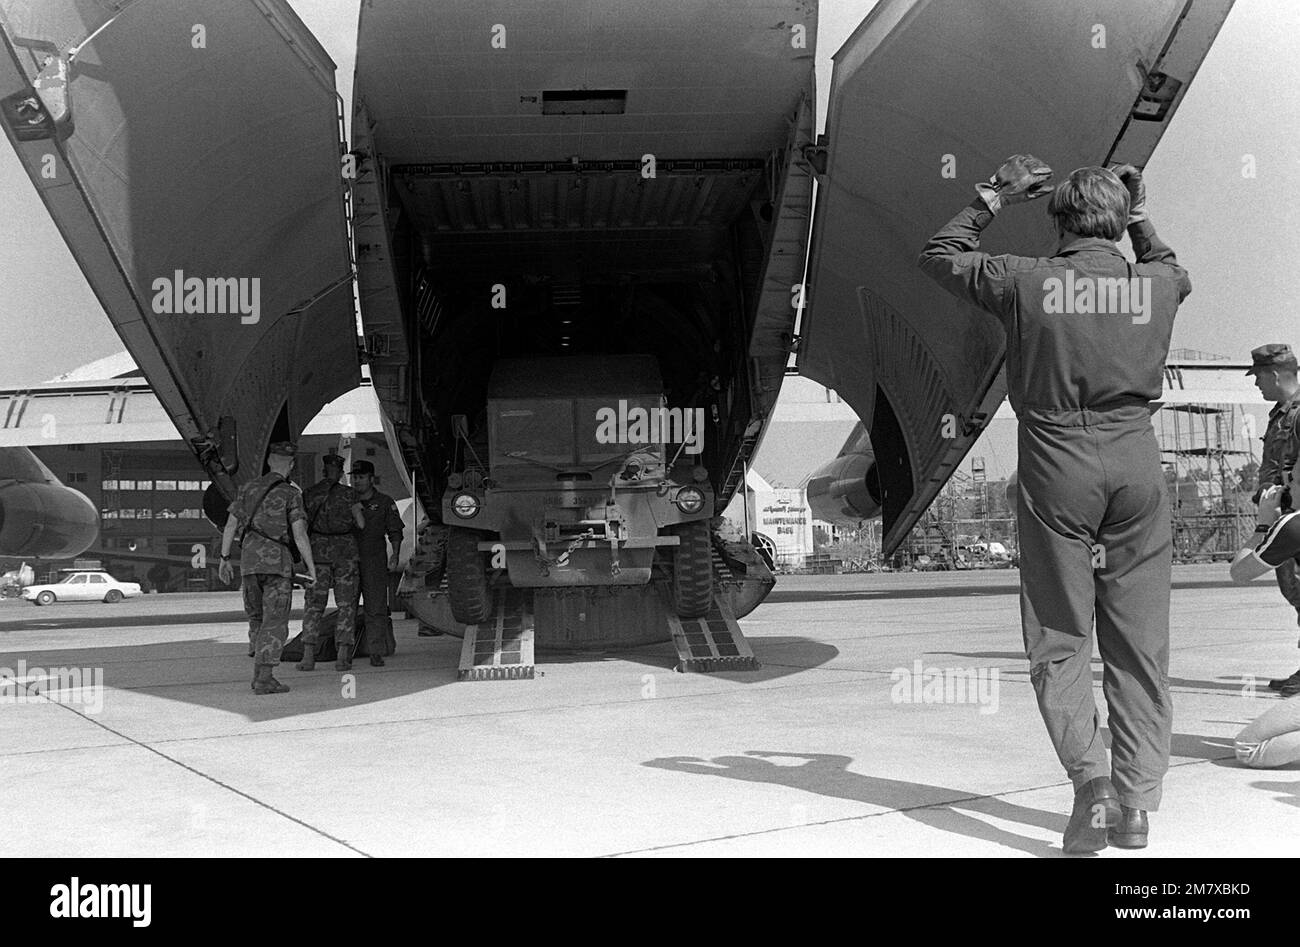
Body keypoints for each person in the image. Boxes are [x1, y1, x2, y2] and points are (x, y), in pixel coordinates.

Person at [918, 156, 1191, 853]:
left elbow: (940, 254)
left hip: (1057, 462)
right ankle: (1135, 803)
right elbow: (1171, 265)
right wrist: (1139, 213)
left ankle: (1092, 784)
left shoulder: (1023, 279)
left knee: (1061, 636)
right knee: (1139, 643)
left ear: (1059, 220)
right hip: (1136, 460)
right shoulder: (1155, 284)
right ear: (1115, 220)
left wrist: (993, 194)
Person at [218, 441, 316, 695]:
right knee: (274, 622)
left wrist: (224, 557)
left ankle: (257, 673)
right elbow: (300, 535)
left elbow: (230, 525)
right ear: (291, 465)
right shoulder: (291, 494)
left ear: (270, 461)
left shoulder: (247, 489)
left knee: (257, 619)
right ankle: (264, 679)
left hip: (249, 564)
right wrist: (311, 567)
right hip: (276, 567)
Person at [1246, 343, 1300, 693]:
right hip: (1281, 516)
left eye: (1260, 376)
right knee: (1294, 591)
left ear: (1277, 374)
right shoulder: (1281, 413)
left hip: (1294, 517)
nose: (1256, 384)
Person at [298, 453, 365, 672]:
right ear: (341, 471)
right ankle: (343, 657)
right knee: (346, 605)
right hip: (345, 552)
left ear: (324, 470)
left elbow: (301, 524)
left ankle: (308, 657)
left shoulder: (310, 494)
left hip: (317, 553)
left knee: (314, 605)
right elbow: (361, 523)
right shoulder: (350, 494)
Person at [350, 460, 403, 666]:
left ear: (371, 479)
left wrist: (395, 555)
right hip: (351, 561)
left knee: (376, 607)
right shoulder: (348, 501)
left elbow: (395, 532)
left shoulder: (384, 502)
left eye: (361, 477)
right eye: (355, 477)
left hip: (374, 560)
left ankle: (376, 650)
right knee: (348, 607)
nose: (357, 481)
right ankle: (345, 651)